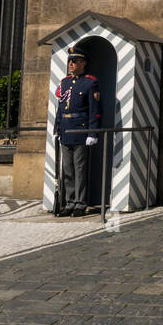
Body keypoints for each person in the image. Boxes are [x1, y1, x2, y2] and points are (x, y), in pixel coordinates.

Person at [52, 43, 102, 217]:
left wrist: (92, 133)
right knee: (67, 169)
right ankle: (70, 202)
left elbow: (95, 111)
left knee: (79, 169)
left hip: (80, 131)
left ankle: (80, 203)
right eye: (69, 61)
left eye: (75, 61)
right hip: (66, 130)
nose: (71, 64)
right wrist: (57, 127)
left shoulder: (90, 83)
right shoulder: (64, 83)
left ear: (83, 63)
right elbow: (60, 108)